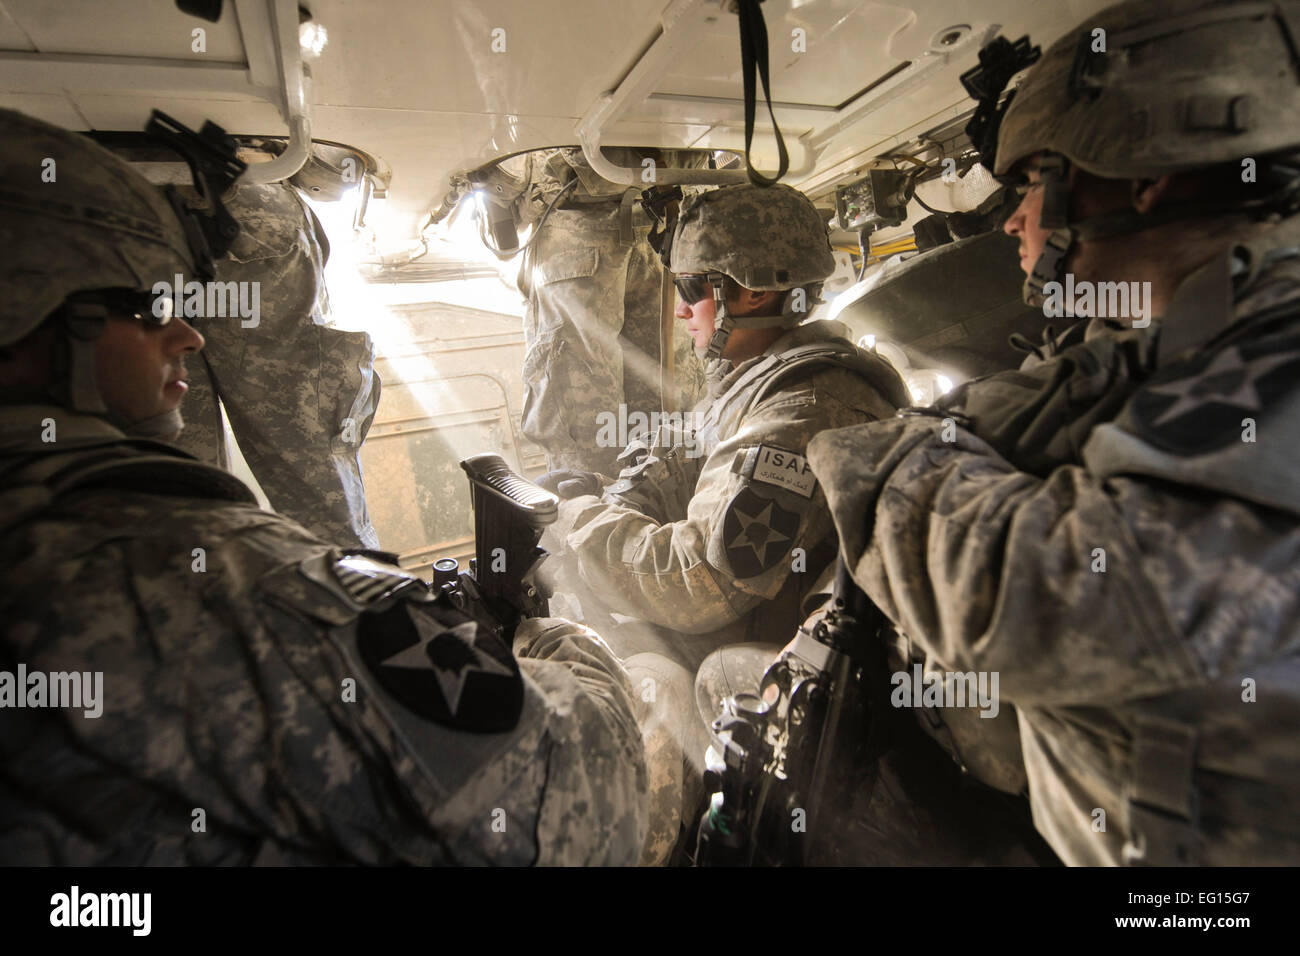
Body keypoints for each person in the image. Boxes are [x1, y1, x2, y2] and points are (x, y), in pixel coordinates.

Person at [0, 107, 647, 865]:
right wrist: (562, 638)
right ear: (30, 311)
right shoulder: (228, 583)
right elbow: (589, 793)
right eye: (146, 308)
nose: (189, 334)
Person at [806, 0, 1300, 865]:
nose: (1011, 217)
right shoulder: (1178, 328)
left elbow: (1064, 597)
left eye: (1033, 179)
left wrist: (883, 461)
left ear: (1141, 173)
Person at [536, 182, 910, 860]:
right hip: (752, 629)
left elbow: (700, 581)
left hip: (788, 671)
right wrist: (612, 497)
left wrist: (577, 520)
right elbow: (677, 460)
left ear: (754, 293)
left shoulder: (808, 408)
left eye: (689, 289)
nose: (680, 312)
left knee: (642, 683)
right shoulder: (755, 378)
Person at [517, 147, 705, 475]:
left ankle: (641, 518)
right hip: (659, 213)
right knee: (651, 412)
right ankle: (636, 518)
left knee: (603, 416)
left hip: (609, 217)